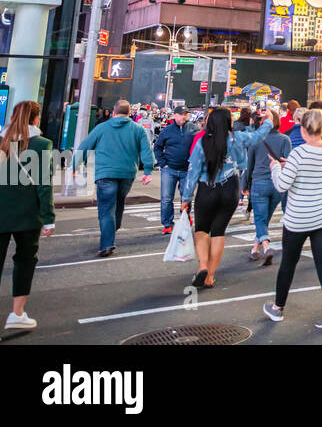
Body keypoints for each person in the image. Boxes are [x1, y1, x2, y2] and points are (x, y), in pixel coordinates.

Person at [264, 106, 322, 329]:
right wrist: (290, 166)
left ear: (304, 129)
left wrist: (276, 167)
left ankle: (278, 308)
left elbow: (282, 184)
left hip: (298, 218)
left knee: (288, 263)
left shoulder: (298, 153)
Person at [0, 101, 54, 341]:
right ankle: (17, 313)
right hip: (28, 216)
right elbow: (43, 184)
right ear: (36, 120)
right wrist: (49, 218)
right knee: (26, 261)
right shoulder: (41, 145)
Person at [181, 107, 258, 289]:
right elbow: (243, 164)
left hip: (207, 189)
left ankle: (203, 266)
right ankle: (210, 277)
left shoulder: (202, 143)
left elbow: (192, 173)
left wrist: (186, 197)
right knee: (218, 232)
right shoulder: (236, 140)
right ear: (228, 122)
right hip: (230, 188)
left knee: (201, 230)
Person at [72, 99, 154, 257]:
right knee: (119, 202)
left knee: (106, 208)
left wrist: (75, 166)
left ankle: (107, 244)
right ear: (129, 113)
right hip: (127, 173)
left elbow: (85, 146)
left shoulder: (101, 128)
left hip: (105, 173)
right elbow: (146, 150)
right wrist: (148, 171)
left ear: (114, 113)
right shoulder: (138, 129)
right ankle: (113, 229)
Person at [244, 107, 291, 265]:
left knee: (259, 217)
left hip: (259, 182)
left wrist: (244, 185)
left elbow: (248, 165)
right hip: (277, 183)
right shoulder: (285, 139)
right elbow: (287, 162)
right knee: (264, 218)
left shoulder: (255, 140)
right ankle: (255, 249)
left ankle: (266, 247)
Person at [152, 105, 194, 235]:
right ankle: (167, 224)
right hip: (169, 169)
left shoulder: (193, 129)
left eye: (185, 114)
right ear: (174, 115)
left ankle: (185, 219)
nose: (184, 116)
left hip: (187, 170)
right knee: (166, 198)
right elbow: (158, 147)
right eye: (181, 114)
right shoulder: (167, 131)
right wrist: (162, 163)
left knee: (186, 197)